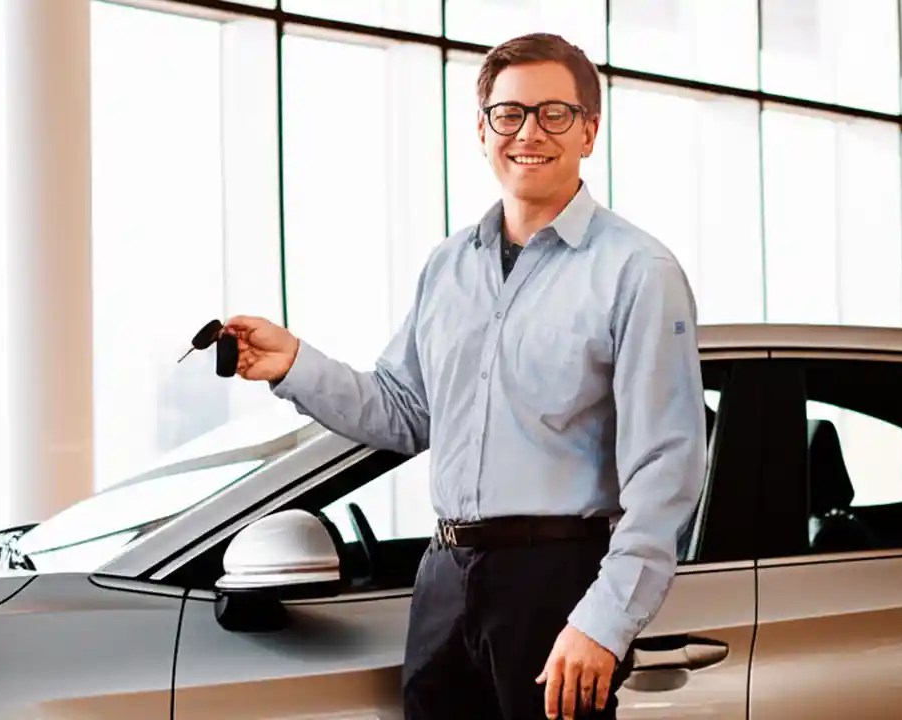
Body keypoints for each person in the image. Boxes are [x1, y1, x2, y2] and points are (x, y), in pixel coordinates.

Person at [222, 32, 706, 720]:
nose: (528, 132)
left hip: (558, 582)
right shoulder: (447, 267)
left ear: (589, 131)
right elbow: (404, 413)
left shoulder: (638, 272)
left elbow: (667, 469)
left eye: (554, 114)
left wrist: (604, 619)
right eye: (508, 114)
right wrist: (295, 362)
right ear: (482, 131)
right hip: (445, 579)